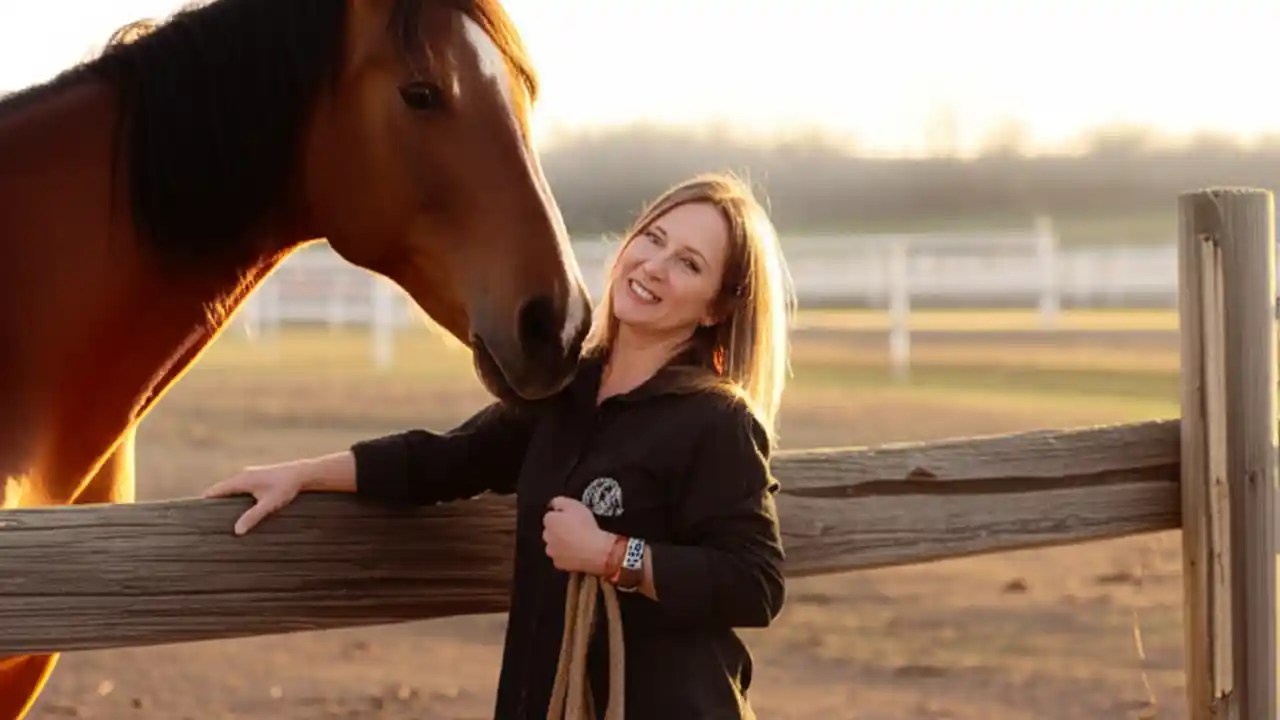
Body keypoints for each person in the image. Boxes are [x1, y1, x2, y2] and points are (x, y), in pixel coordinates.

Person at [203, 171, 795, 719]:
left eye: (689, 263)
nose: (655, 265)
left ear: (718, 306)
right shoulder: (566, 389)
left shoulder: (716, 421)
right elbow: (446, 459)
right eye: (654, 238)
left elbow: (755, 582)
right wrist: (304, 474)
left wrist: (613, 555)